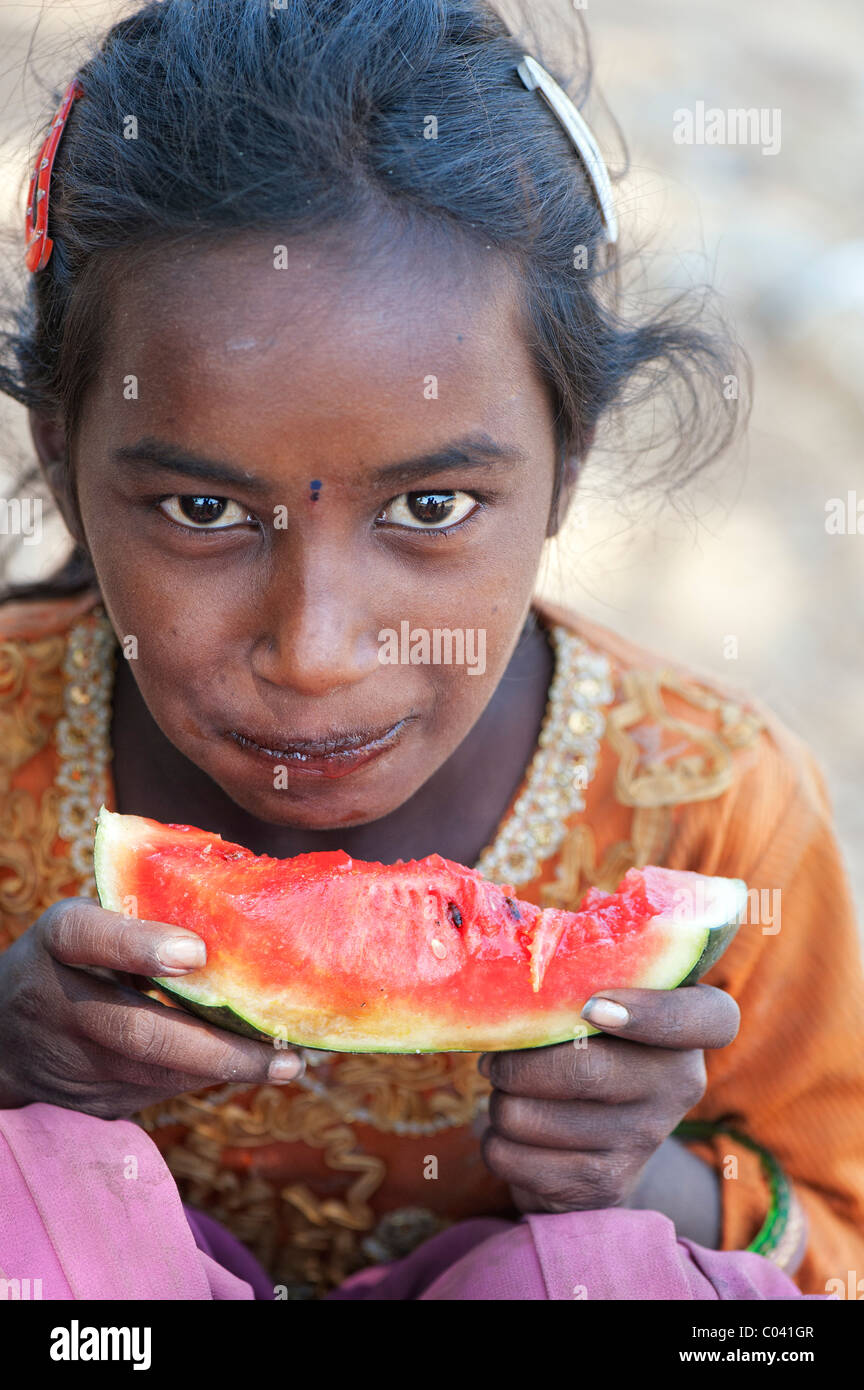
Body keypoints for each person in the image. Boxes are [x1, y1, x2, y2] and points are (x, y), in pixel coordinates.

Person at [0, 0, 860, 1300]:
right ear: (66, 464)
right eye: (204, 510)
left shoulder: (714, 810)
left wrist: (649, 1177)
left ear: (567, 468)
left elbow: (844, 1238)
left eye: (432, 506)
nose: (320, 650)